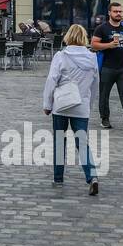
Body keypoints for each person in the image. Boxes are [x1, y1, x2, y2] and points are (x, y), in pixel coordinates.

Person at [41, 24, 100, 194]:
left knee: (60, 141)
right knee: (82, 143)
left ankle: (58, 177)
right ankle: (92, 176)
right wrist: (89, 105)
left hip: (62, 104)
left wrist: (47, 104)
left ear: (68, 36)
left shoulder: (61, 56)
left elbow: (52, 80)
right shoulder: (92, 58)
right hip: (81, 106)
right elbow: (96, 85)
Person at [91, 1, 123, 131]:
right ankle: (104, 119)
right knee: (104, 94)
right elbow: (94, 44)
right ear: (109, 13)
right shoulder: (102, 28)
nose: (118, 14)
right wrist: (108, 45)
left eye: (120, 11)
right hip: (107, 67)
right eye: (115, 11)